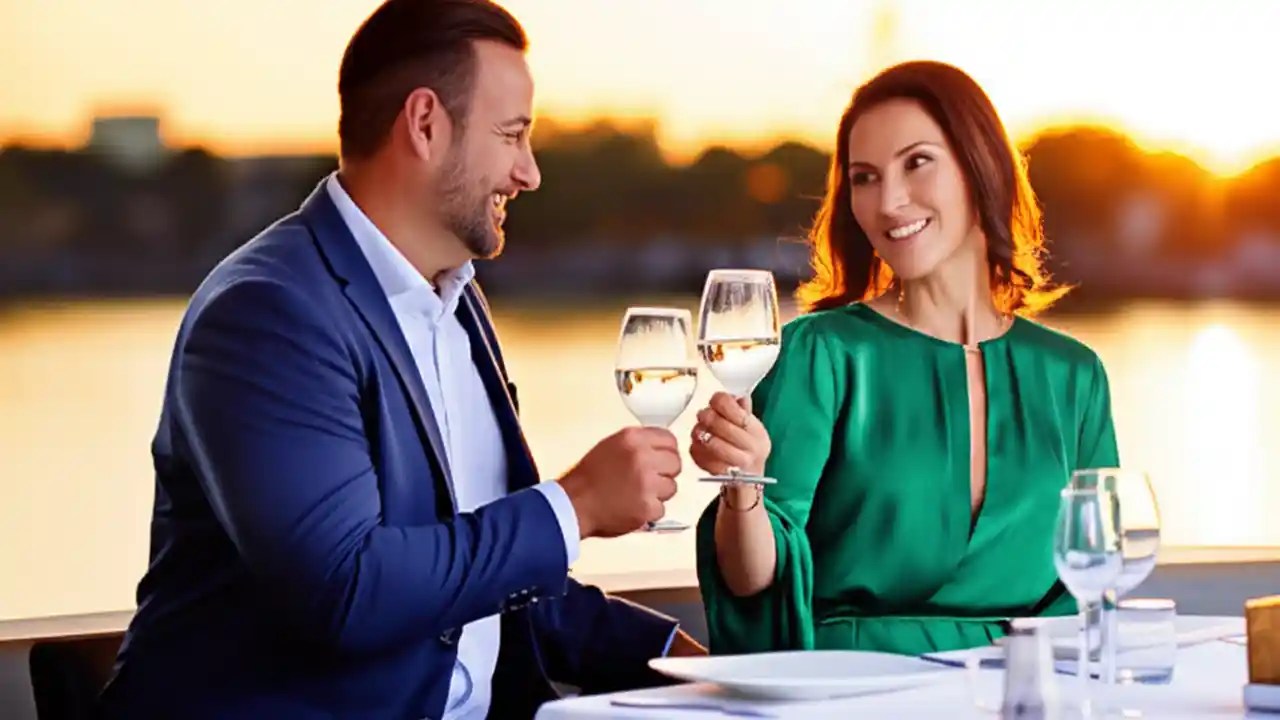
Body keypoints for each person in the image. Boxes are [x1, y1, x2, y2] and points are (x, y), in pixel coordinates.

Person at [96, 1, 705, 717]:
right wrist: (574, 506)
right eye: (511, 136)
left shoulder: (456, 305)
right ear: (424, 124)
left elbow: (487, 578)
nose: (529, 173)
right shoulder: (266, 312)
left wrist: (691, 666)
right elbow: (345, 590)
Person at [689, 60, 1120, 656]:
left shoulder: (1075, 377)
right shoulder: (822, 353)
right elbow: (755, 581)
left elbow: (1096, 582)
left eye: (917, 162)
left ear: (980, 167)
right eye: (865, 177)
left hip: (1028, 686)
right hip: (854, 687)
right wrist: (744, 489)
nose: (889, 201)